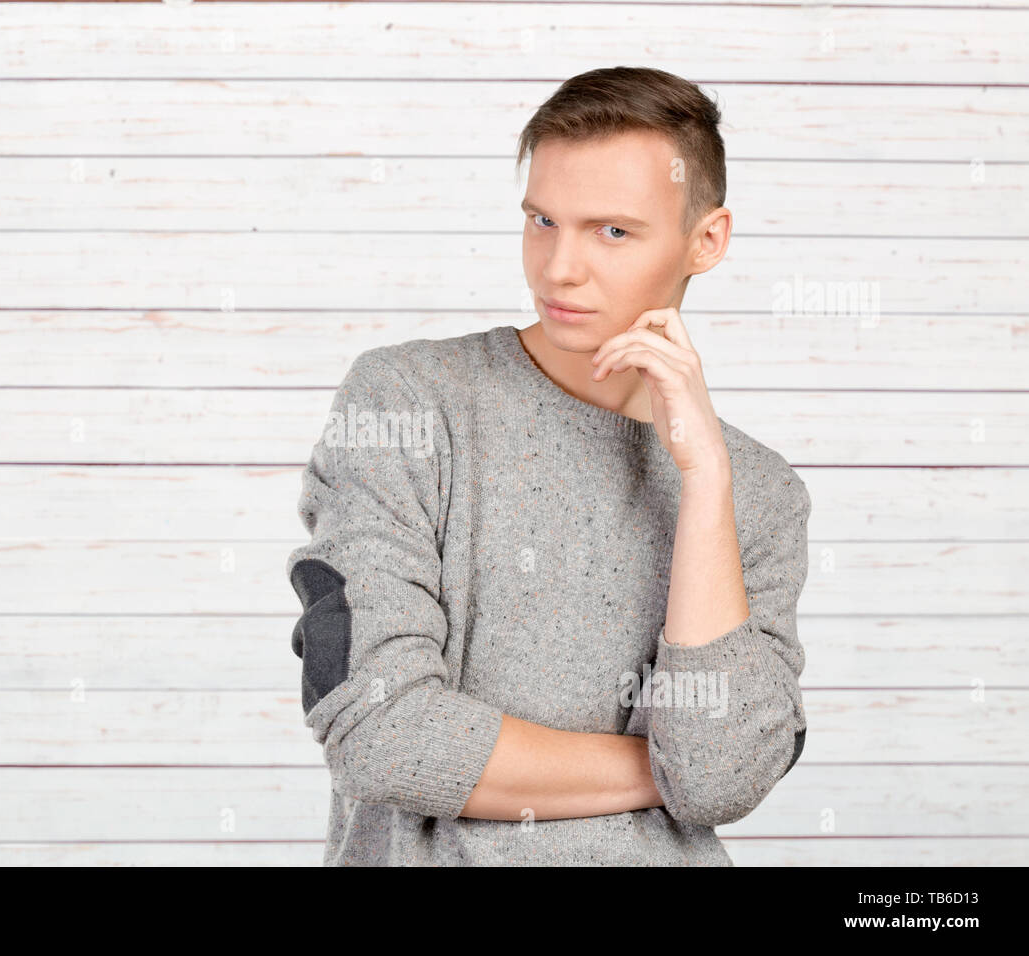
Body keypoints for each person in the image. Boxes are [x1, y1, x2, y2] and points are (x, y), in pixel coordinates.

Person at [286, 65, 811, 865]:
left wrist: (705, 482)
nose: (559, 268)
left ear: (707, 240)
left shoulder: (758, 492)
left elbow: (722, 779)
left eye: (612, 232)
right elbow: (381, 733)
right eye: (542, 221)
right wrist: (666, 769)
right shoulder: (405, 403)